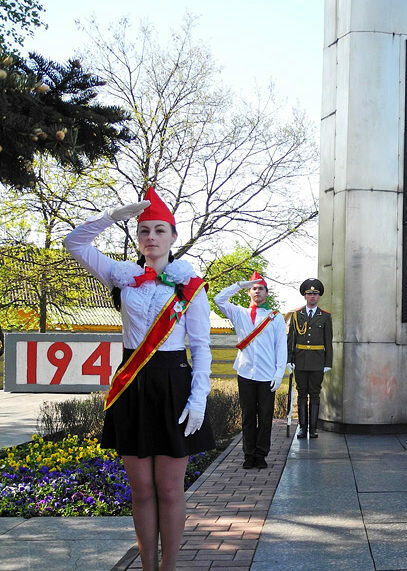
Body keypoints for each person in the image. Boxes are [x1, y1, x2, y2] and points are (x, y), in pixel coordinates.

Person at [64, 186, 214, 570]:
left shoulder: (190, 286)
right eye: (144, 230)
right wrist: (110, 217)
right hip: (132, 385)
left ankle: (169, 567)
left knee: (169, 488)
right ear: (137, 236)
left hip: (173, 386)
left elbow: (201, 348)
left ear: (173, 237)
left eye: (159, 230)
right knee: (142, 490)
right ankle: (147, 566)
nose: (151, 237)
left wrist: (199, 398)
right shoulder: (122, 276)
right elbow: (74, 243)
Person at [214, 271, 287, 469]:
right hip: (245, 372)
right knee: (247, 417)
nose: (257, 291)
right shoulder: (239, 313)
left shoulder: (275, 317)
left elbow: (281, 347)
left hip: (266, 374)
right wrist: (239, 285)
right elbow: (218, 299)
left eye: (261, 288)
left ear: (267, 293)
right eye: (253, 288)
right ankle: (248, 455)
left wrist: (279, 373)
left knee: (265, 417)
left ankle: (261, 454)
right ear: (249, 292)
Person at [287, 278, 332, 438]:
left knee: (314, 394)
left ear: (319, 296)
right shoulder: (296, 315)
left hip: (317, 362)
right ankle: (302, 428)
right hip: (300, 361)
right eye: (310, 294)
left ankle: (313, 429)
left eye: (315, 294)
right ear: (305, 296)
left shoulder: (325, 316)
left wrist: (328, 362)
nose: (313, 296)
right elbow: (291, 340)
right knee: (301, 394)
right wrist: (289, 360)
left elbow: (328, 341)